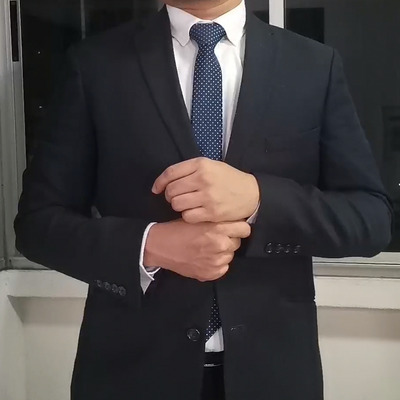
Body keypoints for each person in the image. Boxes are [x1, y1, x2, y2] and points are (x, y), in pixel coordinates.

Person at [14, 0, 393, 399]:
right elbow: (37, 224)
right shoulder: (95, 65)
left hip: (273, 374)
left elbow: (371, 218)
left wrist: (259, 199)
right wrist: (148, 246)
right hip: (130, 373)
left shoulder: (313, 65)